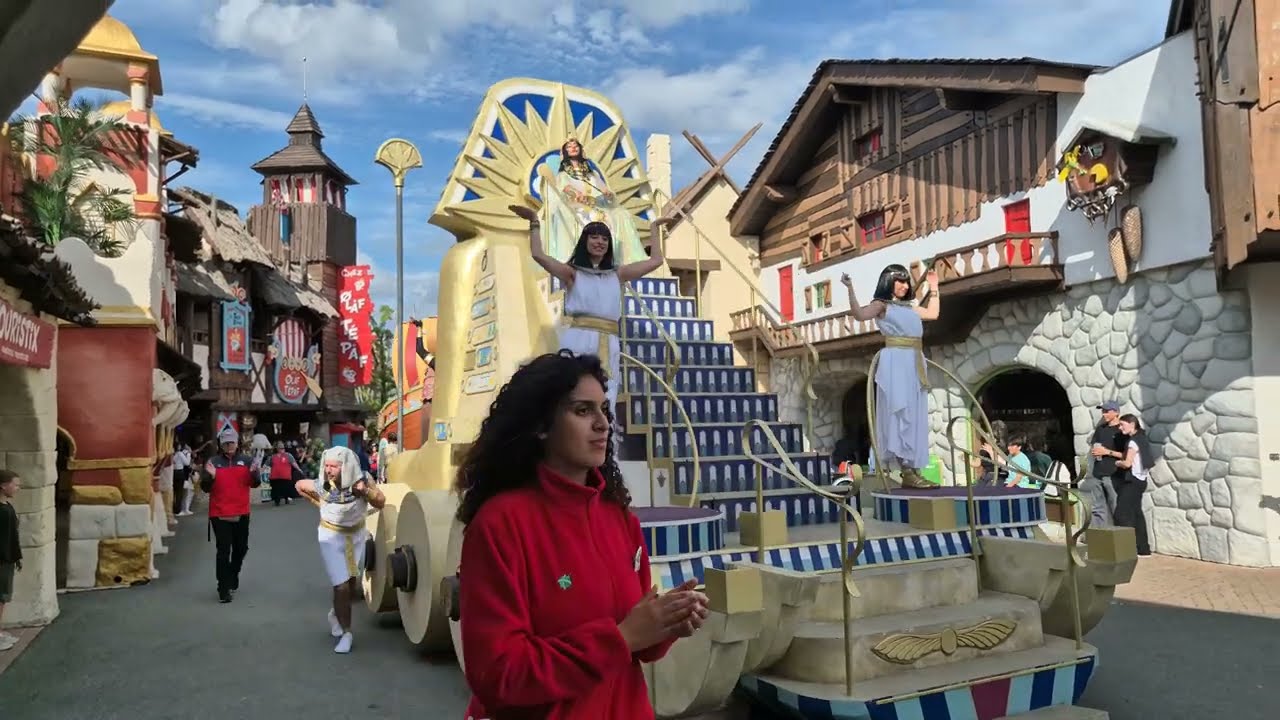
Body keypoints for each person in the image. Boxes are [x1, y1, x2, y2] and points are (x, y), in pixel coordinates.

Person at [456, 351, 709, 719]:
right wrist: (622, 638)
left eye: (604, 410)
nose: (602, 424)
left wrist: (666, 622)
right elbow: (498, 675)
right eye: (582, 411)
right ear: (541, 425)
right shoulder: (500, 526)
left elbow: (637, 644)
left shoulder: (619, 519)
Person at [510, 203, 666, 414]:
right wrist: (534, 221)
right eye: (594, 237)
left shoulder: (617, 274)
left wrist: (654, 229)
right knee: (573, 390)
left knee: (606, 394)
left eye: (604, 238)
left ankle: (603, 444)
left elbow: (656, 260)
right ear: (585, 241)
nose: (599, 242)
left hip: (609, 341)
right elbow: (539, 255)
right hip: (579, 338)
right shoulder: (572, 273)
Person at [842, 265, 940, 489]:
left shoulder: (911, 308)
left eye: (907, 282)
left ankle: (913, 469)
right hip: (896, 360)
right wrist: (850, 289)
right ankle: (906, 469)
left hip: (914, 360)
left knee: (913, 414)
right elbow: (859, 314)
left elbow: (933, 313)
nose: (905, 286)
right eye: (900, 281)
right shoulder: (882, 306)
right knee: (901, 411)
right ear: (888, 282)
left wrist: (934, 288)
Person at [295, 446, 385, 654]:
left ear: (345, 466)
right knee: (341, 585)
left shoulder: (362, 479)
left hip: (355, 538)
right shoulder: (322, 484)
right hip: (330, 538)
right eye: (326, 465)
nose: (329, 470)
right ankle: (347, 633)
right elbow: (299, 485)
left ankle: (335, 614)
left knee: (351, 582)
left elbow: (380, 502)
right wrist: (320, 505)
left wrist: (365, 491)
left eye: (333, 466)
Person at [537, 136, 648, 264]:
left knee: (621, 215)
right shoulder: (563, 174)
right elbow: (564, 188)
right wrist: (576, 194)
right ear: (565, 152)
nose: (573, 148)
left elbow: (603, 189)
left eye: (575, 146)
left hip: (597, 208)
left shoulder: (592, 174)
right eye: (569, 147)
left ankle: (620, 260)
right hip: (576, 208)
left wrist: (608, 194)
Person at [200, 428, 262, 603]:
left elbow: (255, 484)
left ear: (237, 443)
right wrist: (210, 477)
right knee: (223, 550)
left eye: (232, 442)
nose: (229, 445)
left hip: (241, 511)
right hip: (219, 513)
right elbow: (205, 488)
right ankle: (223, 588)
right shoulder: (213, 462)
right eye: (226, 442)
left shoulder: (246, 460)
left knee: (241, 548)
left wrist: (254, 473)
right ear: (221, 444)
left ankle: (232, 575)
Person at [1114, 414, 1153, 556]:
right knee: (1137, 513)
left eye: (1122, 424)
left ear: (1132, 424)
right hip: (1141, 481)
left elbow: (1127, 463)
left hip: (1132, 481)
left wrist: (1117, 463)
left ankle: (1126, 550)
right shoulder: (1142, 438)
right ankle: (1143, 549)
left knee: (1121, 513)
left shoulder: (1132, 442)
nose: (1120, 427)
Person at [1085, 401, 1125, 527]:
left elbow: (1127, 455)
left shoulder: (1122, 430)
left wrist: (1107, 452)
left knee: (1116, 507)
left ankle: (1121, 539)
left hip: (1114, 475)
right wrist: (1095, 452)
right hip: (1097, 474)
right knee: (1097, 509)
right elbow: (1094, 446)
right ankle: (1100, 538)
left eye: (1107, 411)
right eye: (1103, 411)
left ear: (1116, 412)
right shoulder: (1100, 429)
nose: (1104, 413)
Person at [0, 470, 21, 652]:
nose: (17, 488)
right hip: (1, 559)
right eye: (15, 484)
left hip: (7, 559)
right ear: (3, 485)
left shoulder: (7, 506)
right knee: (0, 597)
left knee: (3, 597)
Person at [267, 442, 302, 506]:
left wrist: (299, 469)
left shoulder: (288, 455)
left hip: (285, 476)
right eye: (280, 448)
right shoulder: (272, 457)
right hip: (275, 476)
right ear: (277, 449)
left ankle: (287, 499)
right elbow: (267, 465)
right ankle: (277, 501)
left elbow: (294, 463)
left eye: (283, 448)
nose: (282, 450)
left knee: (286, 488)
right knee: (276, 489)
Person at [173, 442, 193, 517]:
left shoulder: (173, 454)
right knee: (179, 492)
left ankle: (174, 508)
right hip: (180, 472)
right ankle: (178, 510)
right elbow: (187, 463)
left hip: (173, 472)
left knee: (174, 491)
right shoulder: (180, 454)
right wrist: (188, 455)